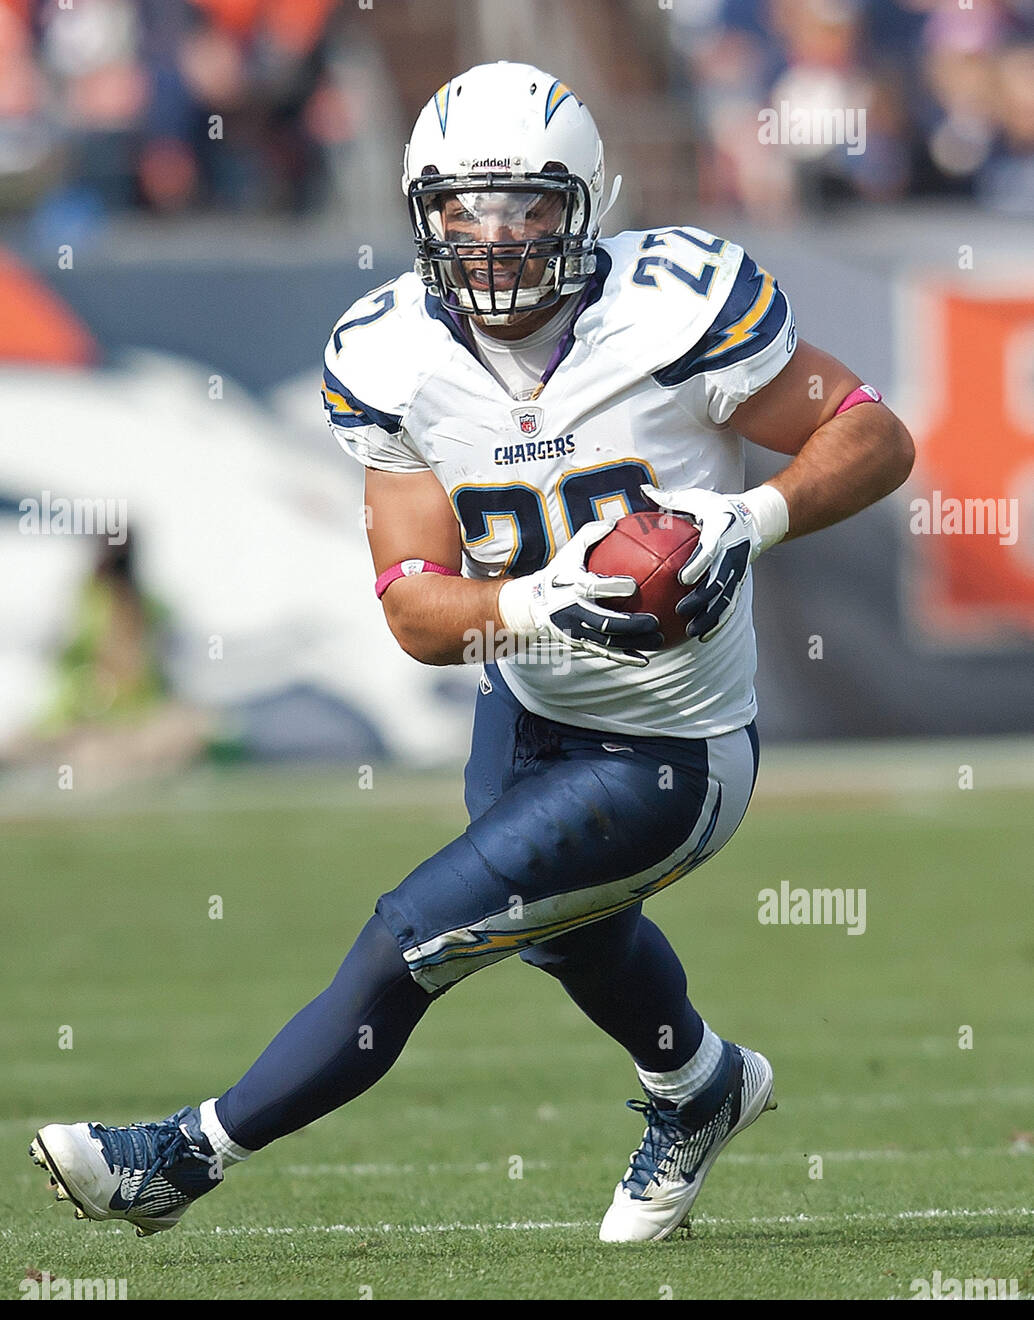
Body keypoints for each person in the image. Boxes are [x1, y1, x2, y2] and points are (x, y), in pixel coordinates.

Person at [29, 62, 914, 1245]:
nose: (492, 239)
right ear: (420, 213)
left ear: (584, 203)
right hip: (524, 706)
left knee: (416, 932)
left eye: (525, 206)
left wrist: (743, 520)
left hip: (674, 745)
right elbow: (412, 612)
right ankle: (698, 1085)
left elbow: (871, 434)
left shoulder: (675, 304)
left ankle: (184, 1156)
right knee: (562, 926)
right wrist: (542, 601)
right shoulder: (392, 354)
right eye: (461, 207)